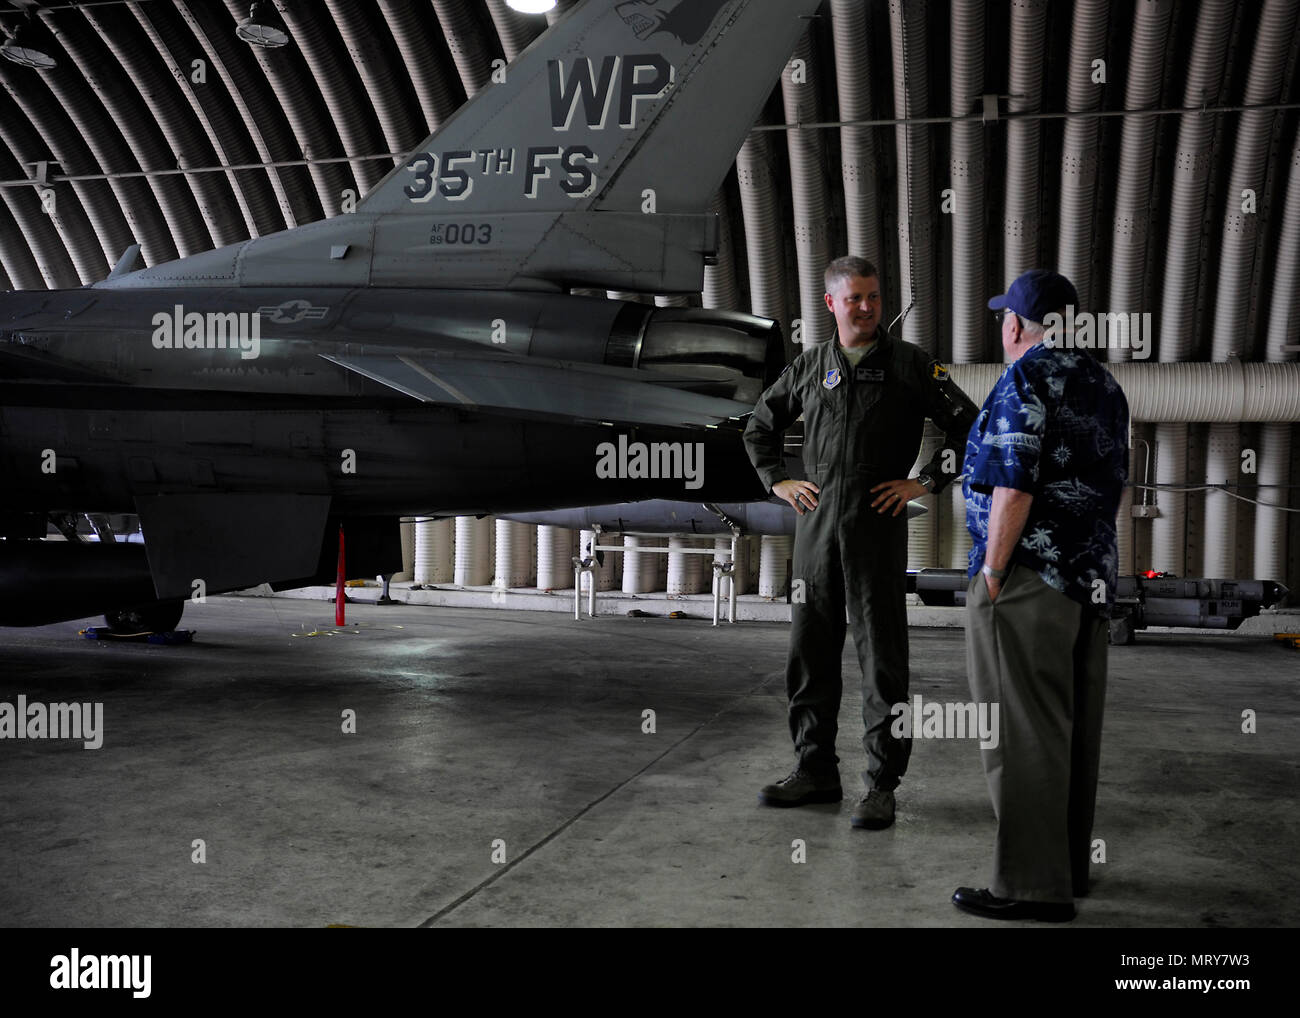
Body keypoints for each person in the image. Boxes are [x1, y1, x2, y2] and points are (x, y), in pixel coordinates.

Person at [743, 256, 978, 829]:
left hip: (876, 526)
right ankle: (814, 770)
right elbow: (759, 427)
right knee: (809, 653)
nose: (867, 307)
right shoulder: (809, 366)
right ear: (832, 303)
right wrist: (778, 480)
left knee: (882, 659)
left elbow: (970, 425)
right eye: (855, 298)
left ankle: (881, 785)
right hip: (817, 528)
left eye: (874, 296)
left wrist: (925, 481)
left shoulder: (912, 365)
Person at [953, 268, 1129, 921]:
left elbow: (1013, 483)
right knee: (1069, 727)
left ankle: (1029, 888)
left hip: (1027, 578)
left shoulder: (1026, 377)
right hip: (1086, 579)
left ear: (1015, 326)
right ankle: (1066, 871)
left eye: (1005, 318)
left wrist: (994, 573)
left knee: (1020, 730)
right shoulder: (1104, 383)